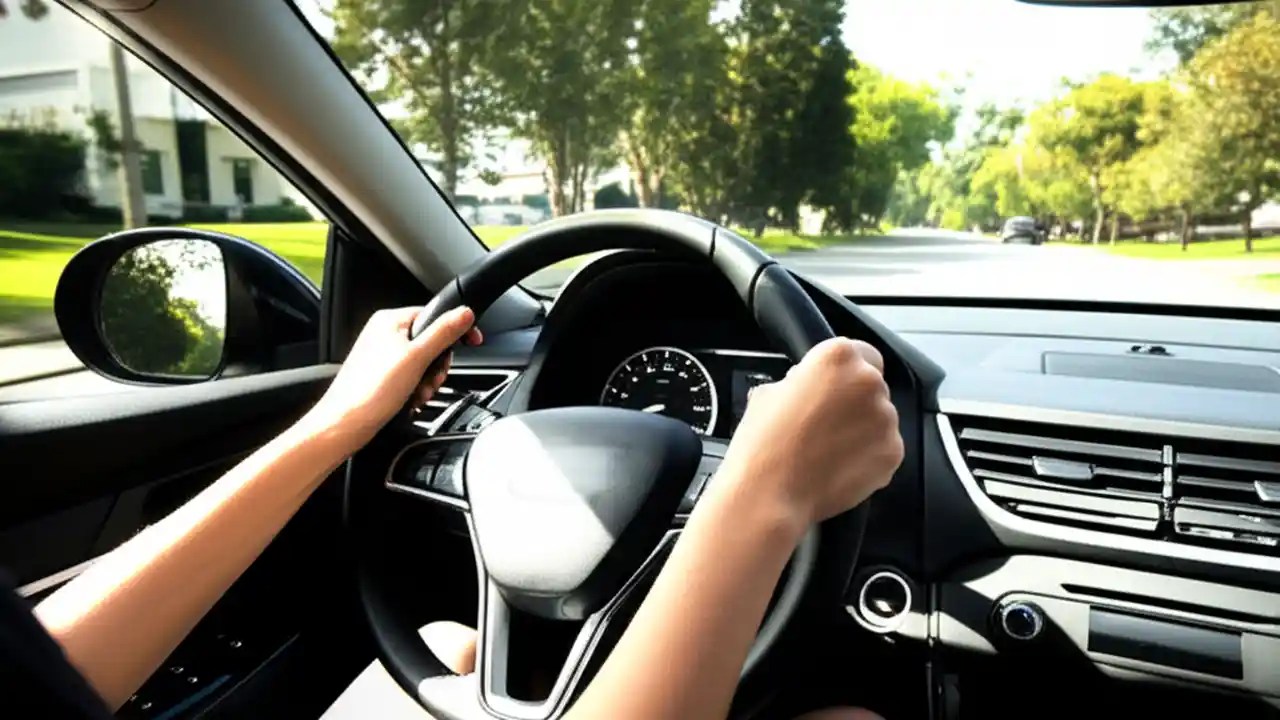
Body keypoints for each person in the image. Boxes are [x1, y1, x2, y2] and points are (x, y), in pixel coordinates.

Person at [1, 305, 901, 719]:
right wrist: (760, 495)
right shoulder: (762, 491)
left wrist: (337, 426)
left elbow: (47, 664)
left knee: (453, 648)